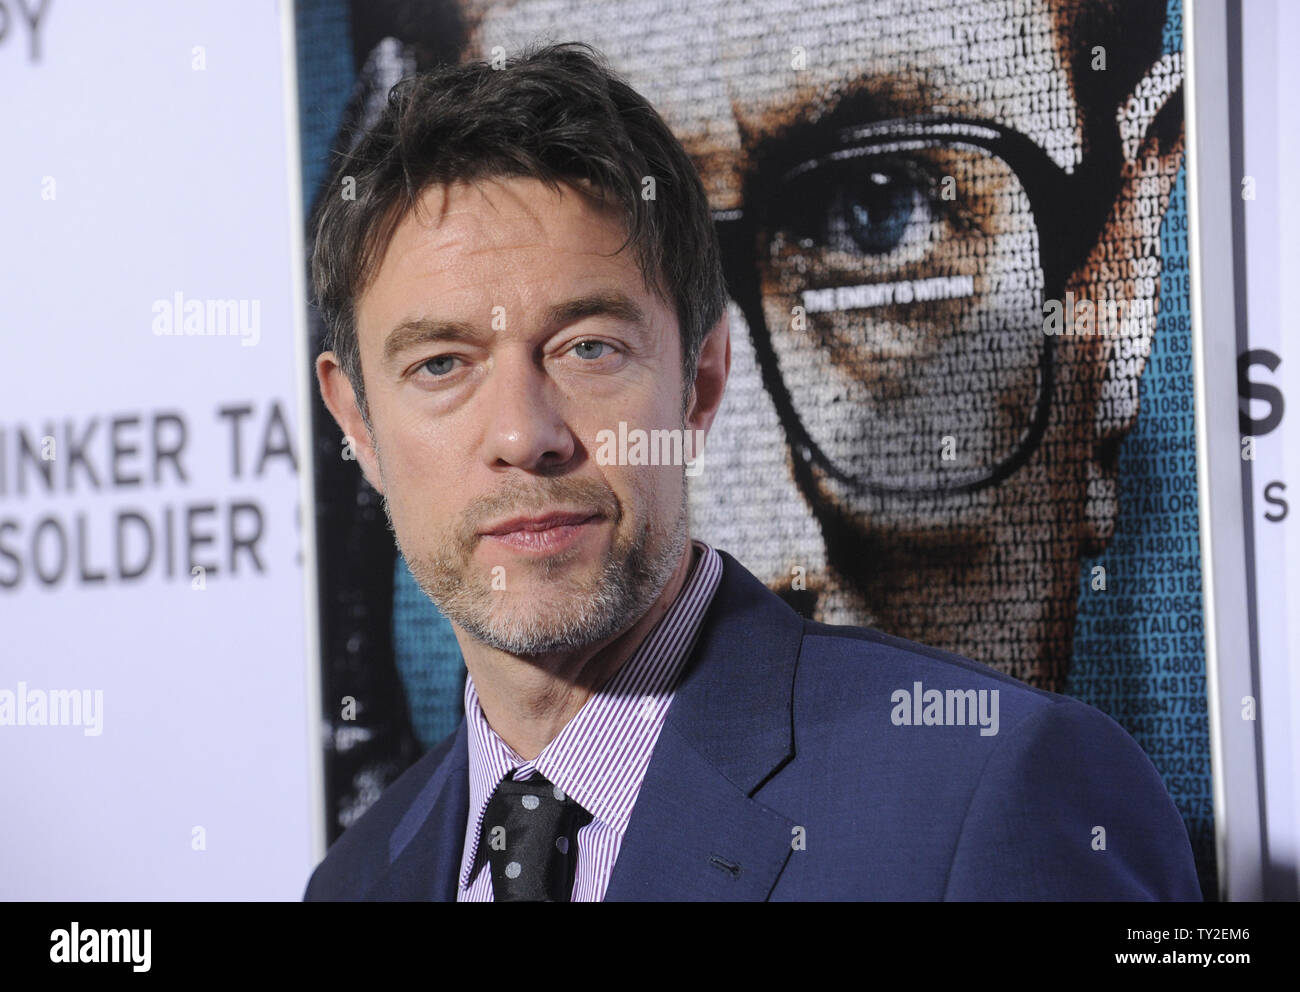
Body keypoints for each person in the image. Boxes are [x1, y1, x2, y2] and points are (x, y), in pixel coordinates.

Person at [304, 43, 1198, 900]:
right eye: (440, 365)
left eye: (587, 348)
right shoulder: (357, 880)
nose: (523, 433)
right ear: (360, 426)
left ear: (699, 381)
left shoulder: (997, 791)